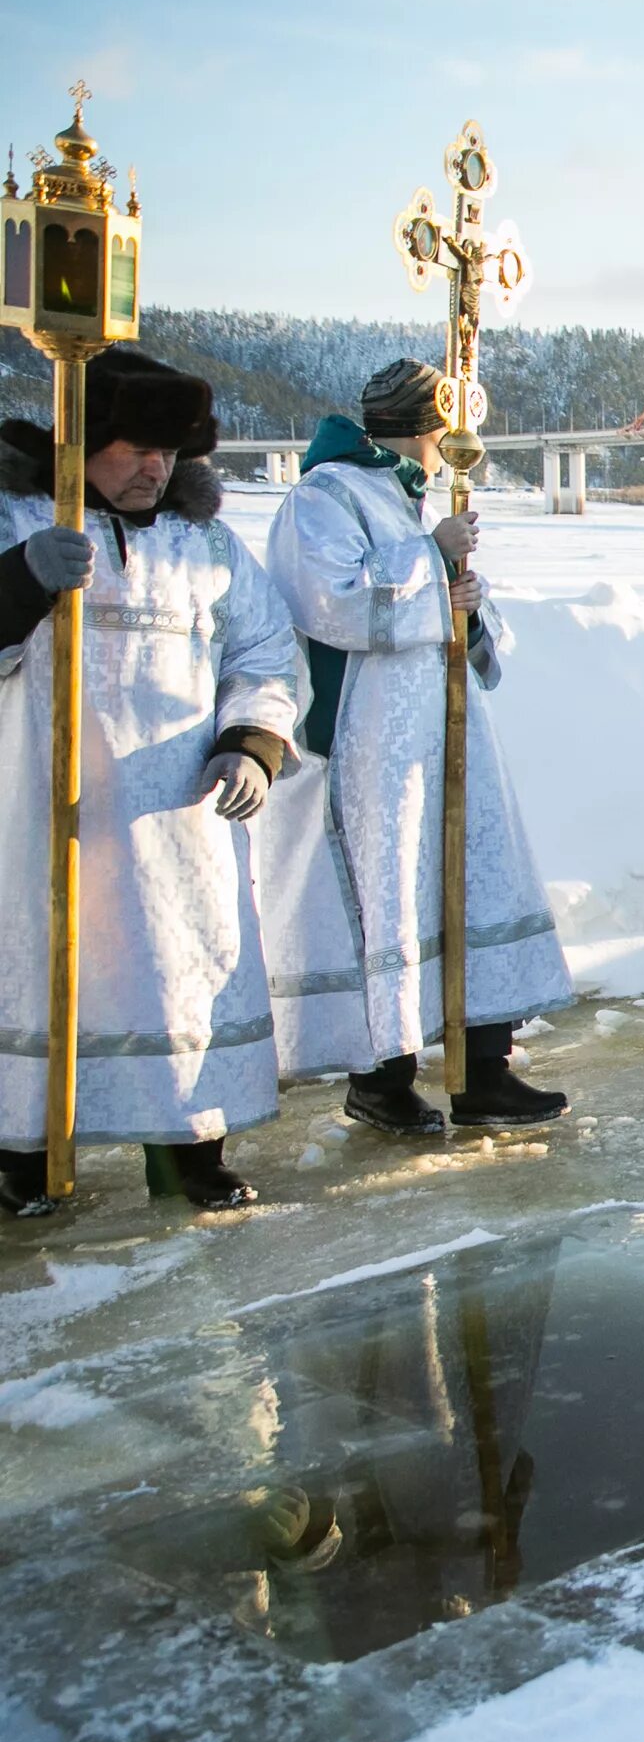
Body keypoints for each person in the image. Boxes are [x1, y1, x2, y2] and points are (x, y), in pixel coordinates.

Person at [0, 354, 296, 1214]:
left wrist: (250, 743)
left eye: (167, 452)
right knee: (44, 969)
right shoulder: (20, 516)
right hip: (42, 809)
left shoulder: (204, 543)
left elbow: (263, 652)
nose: (154, 469)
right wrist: (17, 581)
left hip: (179, 818)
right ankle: (21, 1155)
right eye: (133, 448)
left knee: (183, 968)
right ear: (83, 442)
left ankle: (191, 1152)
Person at [258, 359, 572, 1133]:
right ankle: (381, 1079)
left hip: (441, 728)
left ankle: (484, 1070)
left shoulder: (403, 492)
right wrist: (429, 558)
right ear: (428, 427)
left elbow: (440, 604)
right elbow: (335, 604)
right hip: (374, 740)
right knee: (390, 897)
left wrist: (463, 599)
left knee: (472, 882)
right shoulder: (322, 496)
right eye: (445, 433)